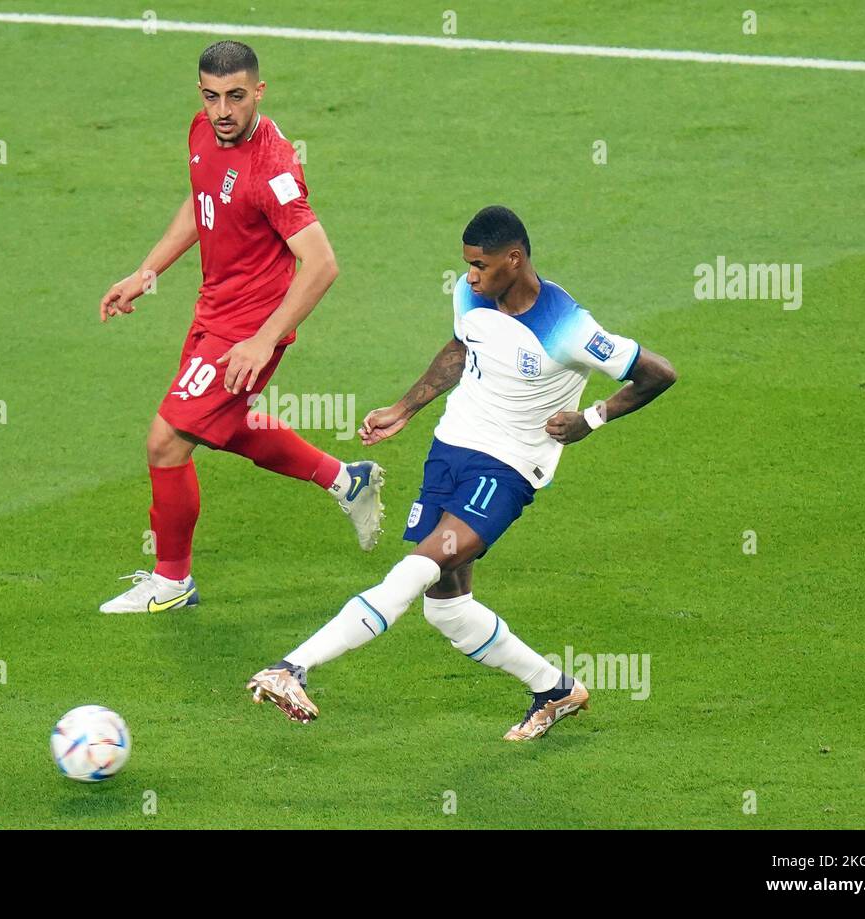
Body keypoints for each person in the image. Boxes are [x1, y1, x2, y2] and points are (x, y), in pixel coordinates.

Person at [247, 205, 677, 740]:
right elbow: (459, 346)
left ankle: (292, 667)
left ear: (514, 261)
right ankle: (555, 689)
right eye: (467, 264)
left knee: (419, 566)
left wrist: (591, 419)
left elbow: (659, 374)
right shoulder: (471, 294)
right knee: (447, 611)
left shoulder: (569, 327)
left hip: (510, 466)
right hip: (452, 449)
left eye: (480, 265)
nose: (470, 276)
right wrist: (405, 408)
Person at [98, 41, 384, 614]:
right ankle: (346, 481)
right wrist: (145, 272)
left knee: (167, 441)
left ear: (259, 91)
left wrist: (263, 339)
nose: (222, 110)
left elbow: (322, 264)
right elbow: (199, 203)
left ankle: (172, 582)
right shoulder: (202, 132)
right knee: (221, 425)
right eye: (210, 97)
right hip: (212, 313)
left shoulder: (273, 170)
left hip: (248, 329)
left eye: (235, 97)